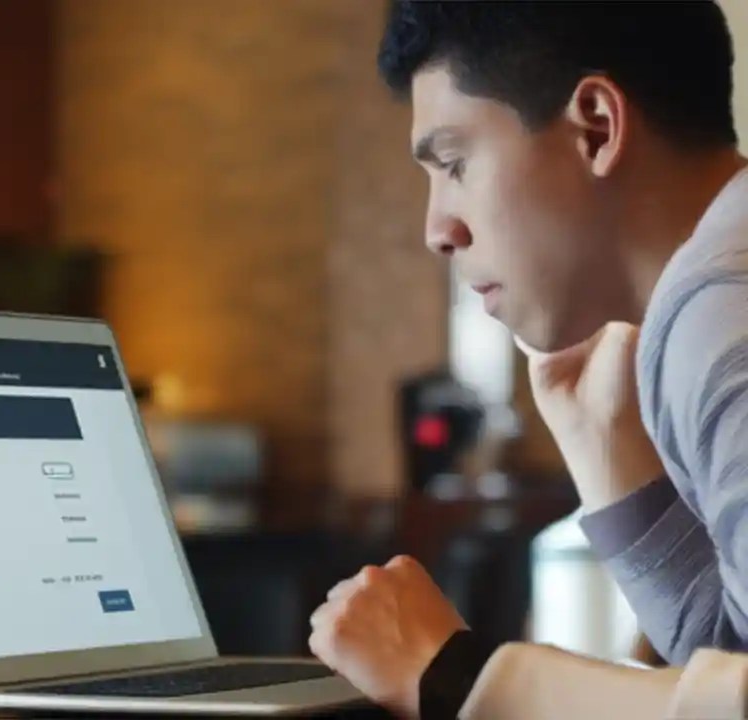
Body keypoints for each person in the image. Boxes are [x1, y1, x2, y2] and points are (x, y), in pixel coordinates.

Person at [308, 2, 748, 717]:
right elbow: (733, 664)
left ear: (596, 128)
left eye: (454, 164)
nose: (436, 230)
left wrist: (456, 675)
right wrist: (606, 456)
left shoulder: (724, 307)